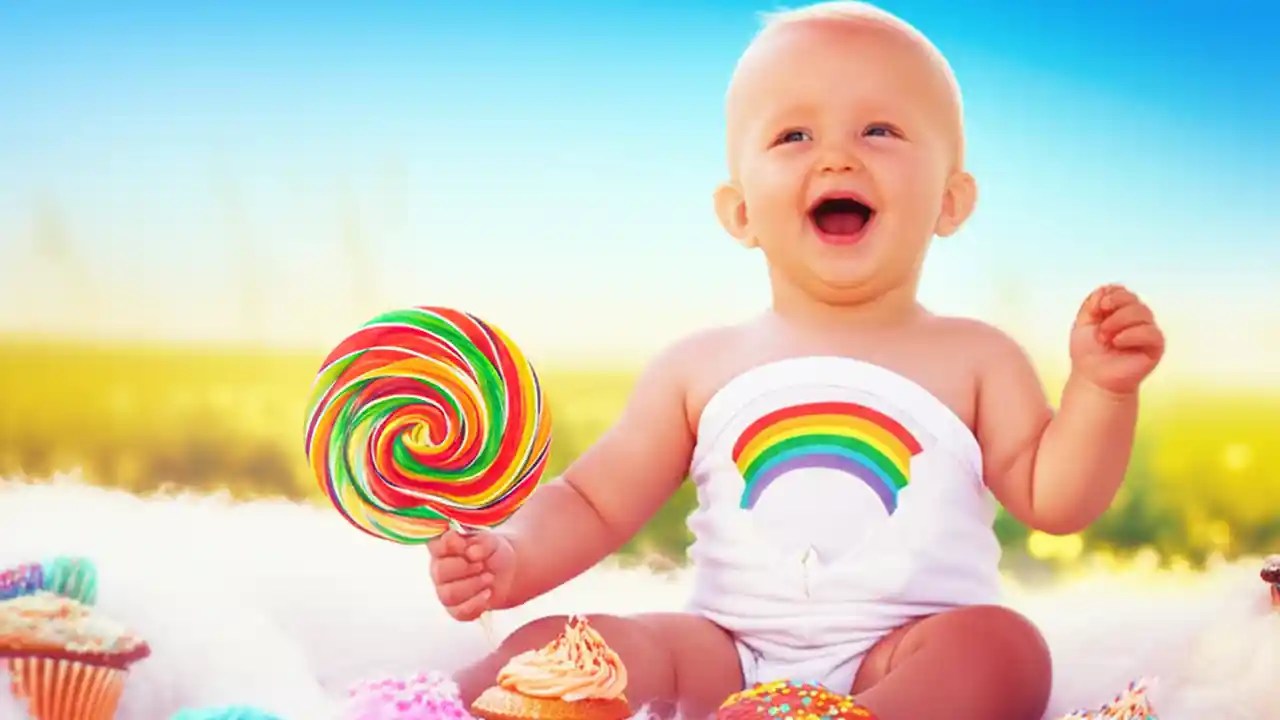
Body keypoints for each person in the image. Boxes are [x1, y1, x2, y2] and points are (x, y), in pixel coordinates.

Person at [429, 3, 1165, 718]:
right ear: (741, 211)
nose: (837, 155)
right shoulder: (700, 367)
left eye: (879, 129)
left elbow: (1057, 499)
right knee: (580, 644)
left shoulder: (977, 357)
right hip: (724, 657)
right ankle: (439, 706)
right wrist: (512, 557)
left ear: (950, 201)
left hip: (901, 659)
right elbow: (593, 500)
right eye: (793, 136)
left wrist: (1101, 391)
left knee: (1005, 651)